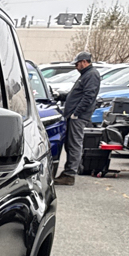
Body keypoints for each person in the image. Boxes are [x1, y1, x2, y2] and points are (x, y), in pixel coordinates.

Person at [56, 51, 101, 186]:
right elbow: (76, 94)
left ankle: (70, 174)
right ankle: (67, 172)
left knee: (74, 144)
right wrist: (61, 96)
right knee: (70, 144)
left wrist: (76, 113)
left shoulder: (91, 75)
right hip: (74, 115)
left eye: (77, 63)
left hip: (78, 117)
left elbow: (89, 96)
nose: (76, 66)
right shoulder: (85, 75)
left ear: (84, 62)